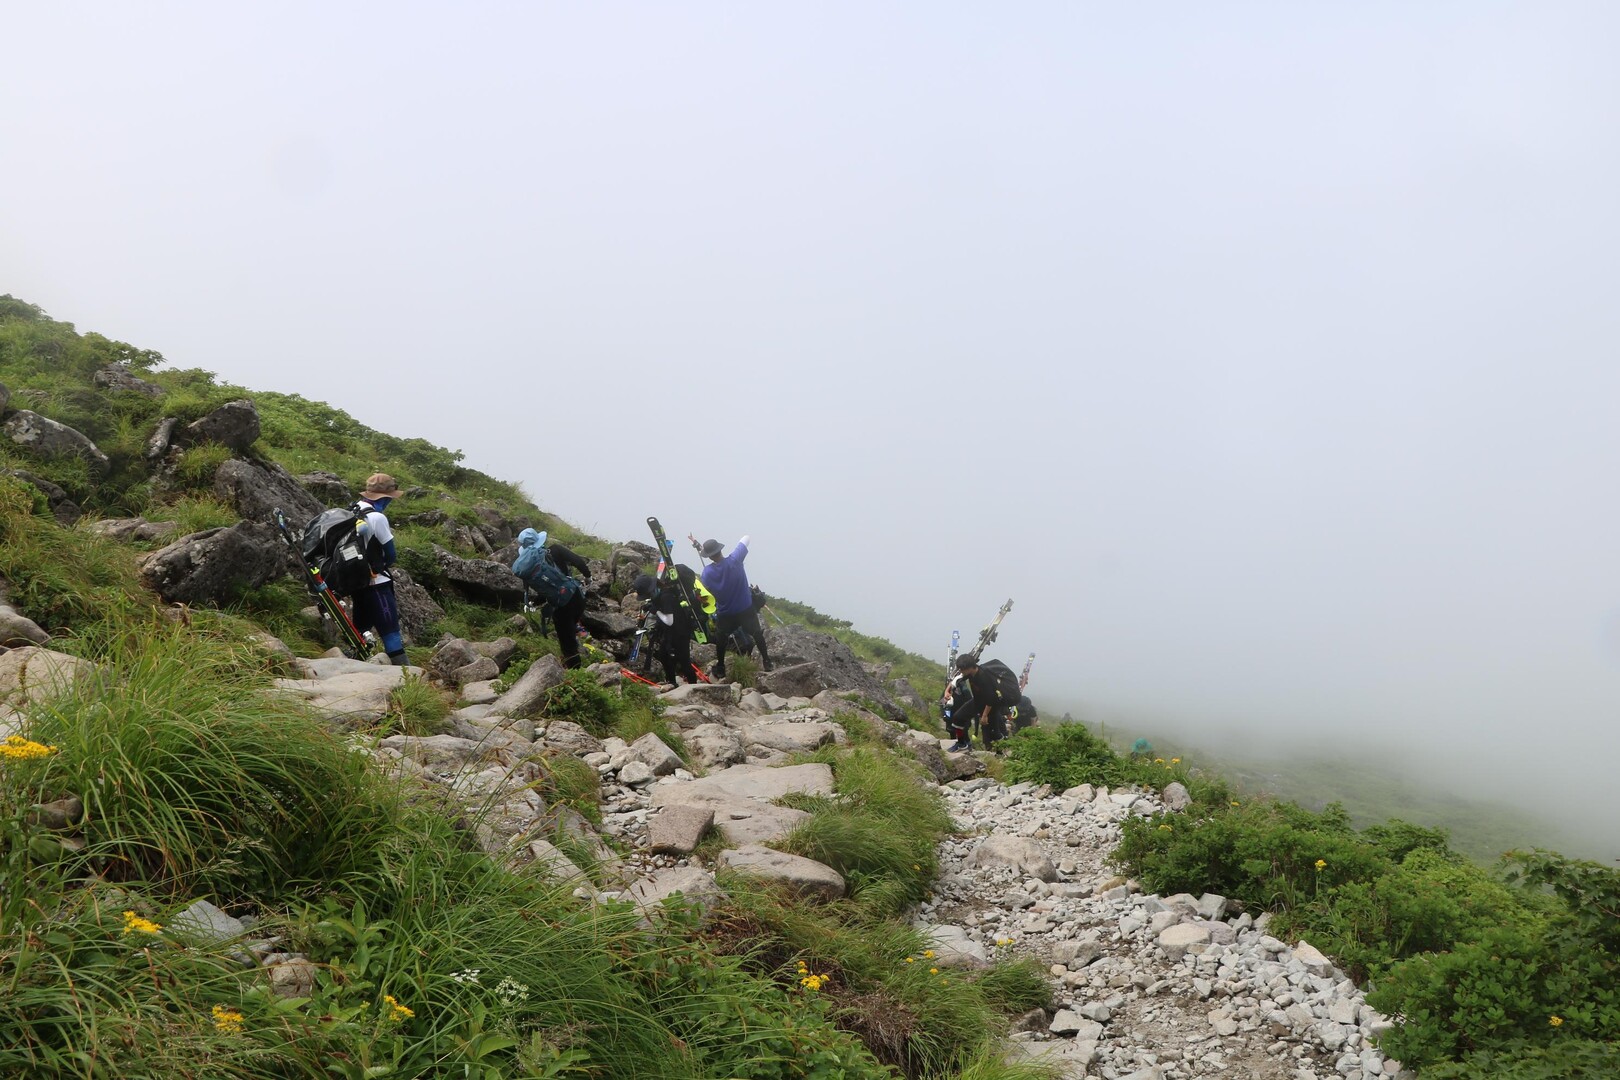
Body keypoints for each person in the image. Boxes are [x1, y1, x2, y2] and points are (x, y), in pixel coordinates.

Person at [350, 473, 410, 666]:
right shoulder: (377, 518)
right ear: (385, 498)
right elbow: (391, 554)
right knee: (390, 633)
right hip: (377, 583)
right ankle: (407, 676)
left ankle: (355, 666)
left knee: (361, 630)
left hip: (356, 582)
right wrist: (382, 564)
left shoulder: (353, 509)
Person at [512, 528, 592, 668]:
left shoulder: (528, 567)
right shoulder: (555, 550)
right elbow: (578, 561)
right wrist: (588, 576)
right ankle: (578, 659)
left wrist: (533, 603)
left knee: (567, 645)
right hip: (575, 595)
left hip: (559, 606)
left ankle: (575, 671)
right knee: (571, 628)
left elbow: (545, 590)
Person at [698, 536, 773, 677]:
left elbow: (707, 592)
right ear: (720, 550)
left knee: (721, 639)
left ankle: (721, 667)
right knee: (757, 634)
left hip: (726, 613)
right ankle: (767, 661)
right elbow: (746, 538)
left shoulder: (707, 573)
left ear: (709, 557)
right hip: (745, 609)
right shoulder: (735, 559)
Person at [630, 572, 698, 685]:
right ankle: (672, 683)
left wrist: (656, 611)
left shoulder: (666, 597)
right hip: (669, 633)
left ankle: (693, 686)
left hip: (680, 633)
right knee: (664, 657)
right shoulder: (658, 595)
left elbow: (669, 621)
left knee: (684, 661)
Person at [953, 653, 1022, 752]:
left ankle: (1000, 751)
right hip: (978, 701)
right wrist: (948, 691)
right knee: (958, 717)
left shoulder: (983, 677)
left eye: (962, 669)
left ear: (970, 667)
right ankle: (962, 743)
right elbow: (957, 680)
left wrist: (984, 715)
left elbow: (991, 698)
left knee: (994, 732)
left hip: (991, 705)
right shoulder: (970, 674)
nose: (960, 671)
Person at [943, 674, 977, 752]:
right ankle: (960, 743)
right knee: (953, 729)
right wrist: (946, 692)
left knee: (962, 729)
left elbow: (969, 699)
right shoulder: (955, 685)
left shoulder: (962, 686)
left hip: (961, 712)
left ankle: (966, 744)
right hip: (953, 710)